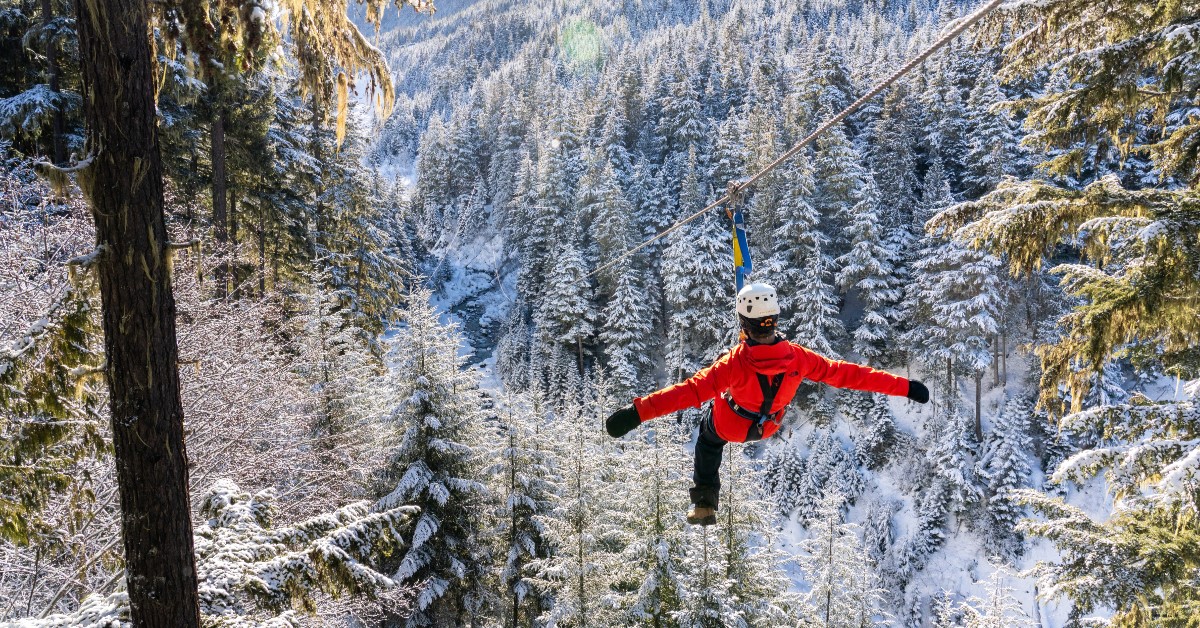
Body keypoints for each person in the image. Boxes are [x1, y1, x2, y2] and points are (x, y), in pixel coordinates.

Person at [605, 282, 930, 525]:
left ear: (743, 325)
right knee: (718, 423)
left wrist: (637, 413)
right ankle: (706, 497)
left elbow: (686, 392)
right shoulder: (797, 358)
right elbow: (847, 374)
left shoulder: (733, 364)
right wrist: (904, 386)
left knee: (707, 438)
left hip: (730, 424)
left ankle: (705, 501)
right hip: (768, 424)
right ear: (774, 320)